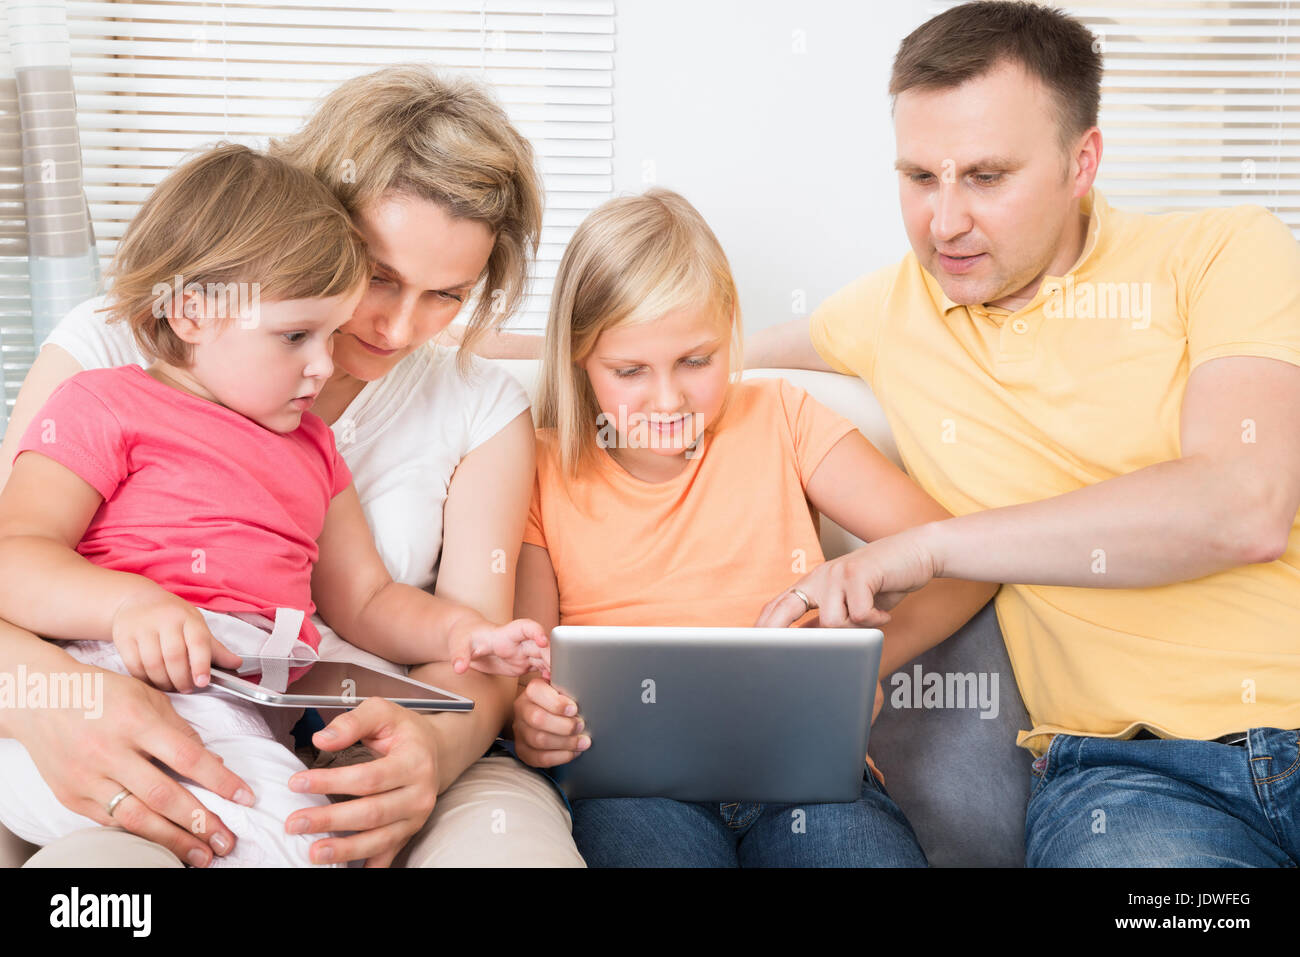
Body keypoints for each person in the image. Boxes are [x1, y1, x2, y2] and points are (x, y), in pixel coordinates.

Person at [747, 1, 1300, 866]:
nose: (945, 221)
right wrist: (467, 334)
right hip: (1137, 782)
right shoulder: (892, 310)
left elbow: (1246, 504)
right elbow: (679, 345)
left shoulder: (1223, 254)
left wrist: (930, 548)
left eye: (986, 176)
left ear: (1083, 162)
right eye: (920, 177)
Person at [0, 65, 584, 869]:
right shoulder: (110, 364)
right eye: (377, 277)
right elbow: (14, 558)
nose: (398, 327)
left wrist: (433, 745)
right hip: (108, 704)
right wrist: (49, 699)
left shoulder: (442, 413)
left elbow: (403, 620)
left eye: (446, 295)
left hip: (363, 738)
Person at [508, 188, 996, 866]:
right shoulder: (538, 465)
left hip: (808, 781)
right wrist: (531, 717)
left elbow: (968, 559)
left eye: (696, 360)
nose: (670, 399)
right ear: (580, 361)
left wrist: (858, 667)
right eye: (629, 371)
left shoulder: (781, 419)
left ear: (731, 330)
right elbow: (527, 664)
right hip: (632, 792)